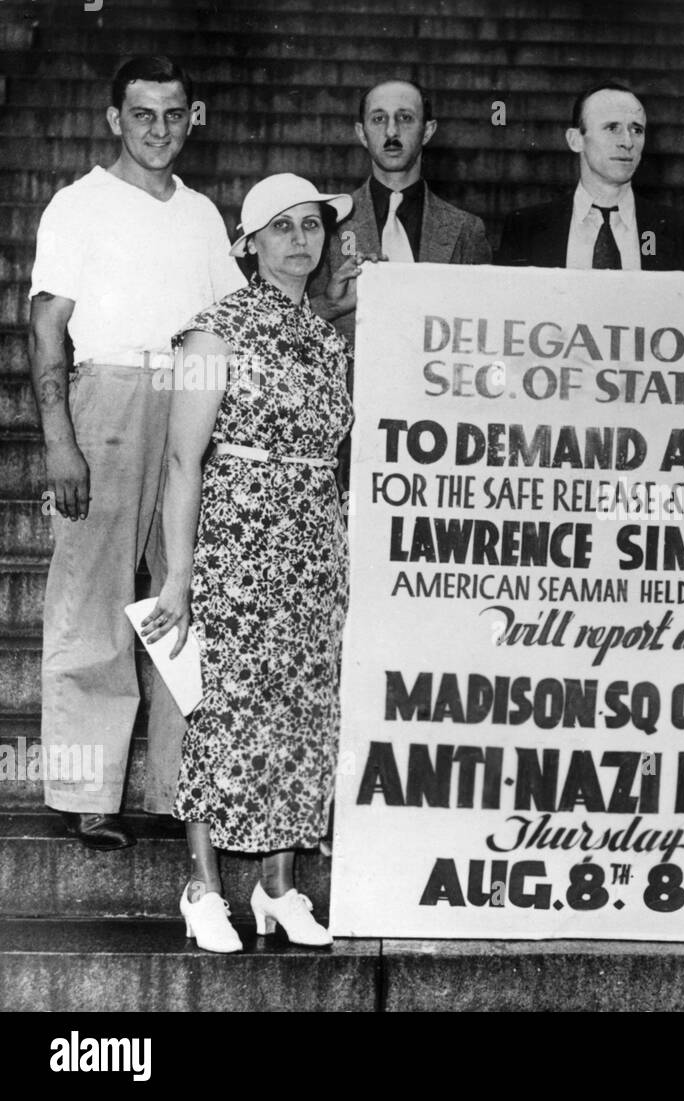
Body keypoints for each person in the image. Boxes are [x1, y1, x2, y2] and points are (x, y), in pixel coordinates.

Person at [27, 56, 244, 851]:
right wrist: (61, 442)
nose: (159, 129)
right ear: (116, 118)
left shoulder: (202, 215)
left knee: (188, 593)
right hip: (109, 397)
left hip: (192, 392)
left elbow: (234, 323)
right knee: (94, 597)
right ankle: (88, 790)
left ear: (195, 117)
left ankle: (173, 784)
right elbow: (48, 327)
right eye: (143, 114)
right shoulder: (78, 205)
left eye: (174, 113)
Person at [143, 174, 354, 952]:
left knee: (301, 712)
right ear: (250, 243)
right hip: (235, 539)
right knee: (223, 706)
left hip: (310, 543)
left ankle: (277, 885)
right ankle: (201, 884)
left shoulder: (331, 341)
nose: (302, 239)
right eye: (283, 227)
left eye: (313, 226)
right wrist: (178, 572)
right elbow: (181, 456)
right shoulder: (213, 330)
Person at [310, 78, 491, 345]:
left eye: (405, 117)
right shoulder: (328, 222)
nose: (391, 131)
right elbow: (289, 322)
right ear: (362, 133)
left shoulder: (466, 230)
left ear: (427, 131)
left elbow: (484, 327)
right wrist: (330, 304)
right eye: (378, 119)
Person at [495, 80, 684, 271]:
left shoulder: (681, 231)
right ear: (575, 140)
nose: (627, 142)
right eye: (612, 128)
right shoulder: (525, 229)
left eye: (637, 130)